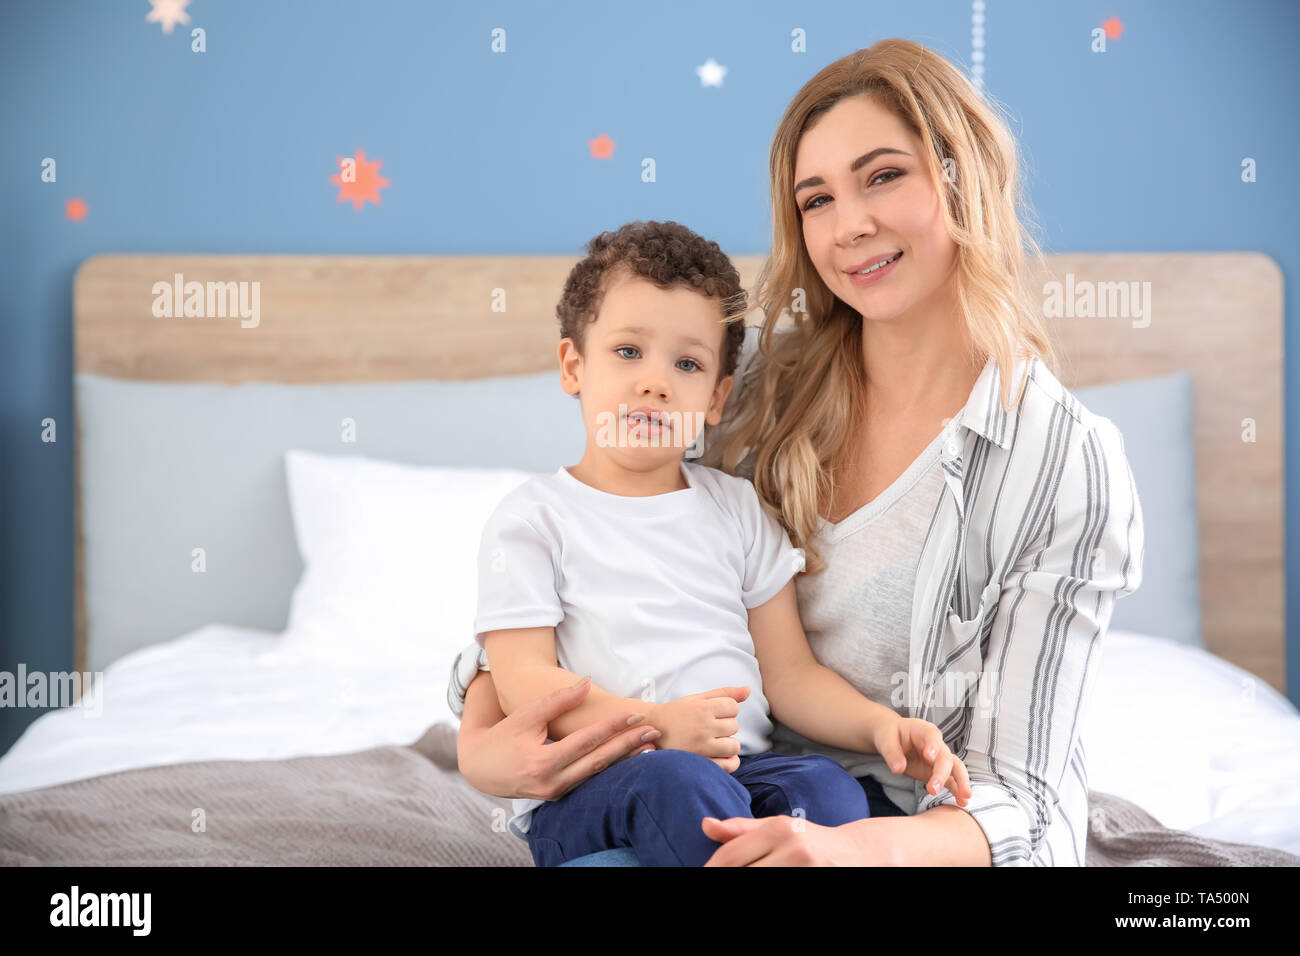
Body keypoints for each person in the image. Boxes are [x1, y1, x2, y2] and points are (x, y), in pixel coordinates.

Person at [450, 38, 1144, 866]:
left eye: (885, 175)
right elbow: (592, 578)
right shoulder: (751, 387)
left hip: (898, 826)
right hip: (677, 776)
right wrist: (481, 731)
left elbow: (1023, 803)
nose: (850, 225)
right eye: (816, 199)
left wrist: (851, 847)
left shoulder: (1061, 463)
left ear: (965, 176)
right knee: (679, 793)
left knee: (823, 795)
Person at [472, 219, 971, 867]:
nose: (655, 381)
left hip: (742, 772)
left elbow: (789, 676)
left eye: (686, 363)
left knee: (826, 789)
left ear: (716, 397)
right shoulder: (534, 519)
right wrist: (657, 724)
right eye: (628, 351)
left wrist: (880, 726)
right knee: (677, 781)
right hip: (599, 782)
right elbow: (524, 681)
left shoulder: (736, 510)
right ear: (574, 365)